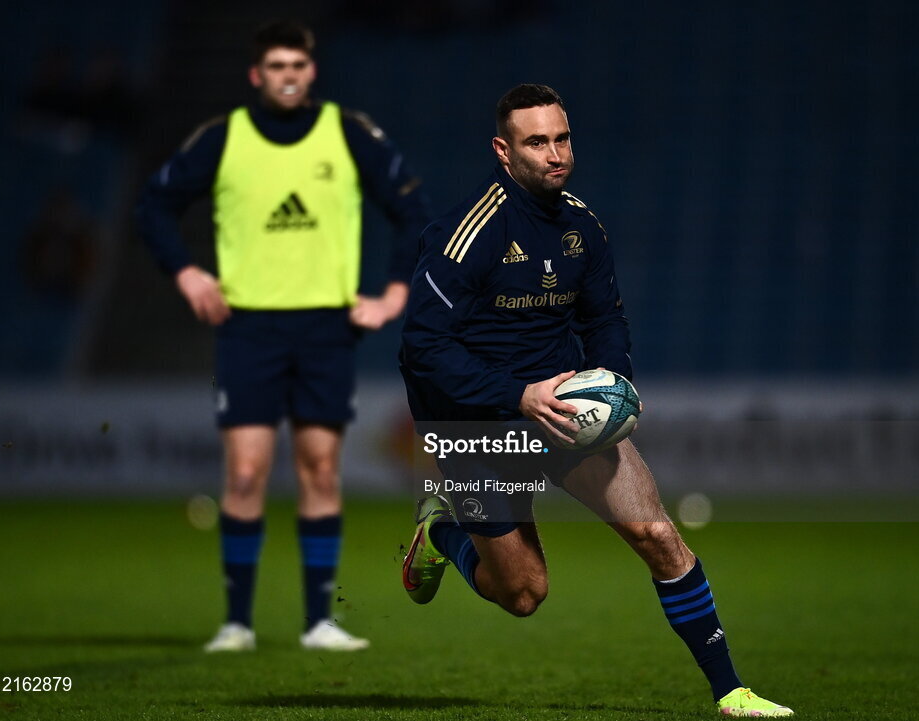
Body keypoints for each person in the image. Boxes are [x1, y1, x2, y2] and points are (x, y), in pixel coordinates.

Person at [399, 84, 793, 717]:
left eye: (563, 138)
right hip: (474, 419)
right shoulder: (464, 235)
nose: (555, 154)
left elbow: (604, 318)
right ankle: (442, 530)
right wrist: (515, 394)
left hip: (561, 408)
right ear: (504, 152)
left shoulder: (583, 225)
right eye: (537, 142)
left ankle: (731, 692)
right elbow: (424, 350)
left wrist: (616, 382)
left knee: (658, 534)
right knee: (524, 594)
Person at [137, 19, 431, 653]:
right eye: (275, 67)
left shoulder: (349, 134)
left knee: (321, 470)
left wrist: (395, 294)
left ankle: (318, 621)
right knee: (244, 474)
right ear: (256, 74)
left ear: (311, 71)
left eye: (297, 66)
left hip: (327, 328)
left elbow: (412, 211)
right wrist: (186, 273)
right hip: (247, 329)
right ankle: (237, 622)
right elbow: (153, 206)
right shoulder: (223, 139)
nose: (288, 77)